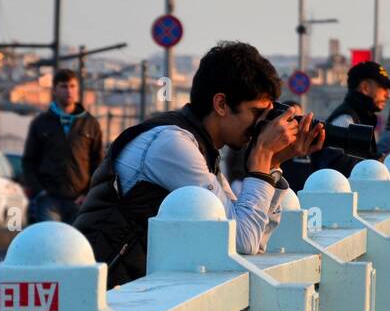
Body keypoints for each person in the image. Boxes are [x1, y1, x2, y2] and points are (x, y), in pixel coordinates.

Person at [75, 42, 324, 289]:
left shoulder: (202, 148)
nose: (261, 125)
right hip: (97, 296)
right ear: (221, 104)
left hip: (125, 293)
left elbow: (253, 241)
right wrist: (263, 153)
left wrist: (273, 162)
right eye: (255, 112)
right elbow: (241, 239)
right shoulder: (171, 144)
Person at [21, 68, 103, 224]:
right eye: (64, 86)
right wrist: (40, 191)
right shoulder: (41, 123)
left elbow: (98, 163)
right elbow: (29, 161)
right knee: (51, 245)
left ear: (78, 89)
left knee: (75, 247)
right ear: (54, 90)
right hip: (48, 199)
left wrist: (88, 193)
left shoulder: (90, 124)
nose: (69, 91)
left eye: (72, 86)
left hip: (79, 200)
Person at [326, 61, 390, 128]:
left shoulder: (358, 120)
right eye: (383, 88)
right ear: (365, 87)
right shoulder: (346, 122)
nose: (388, 95)